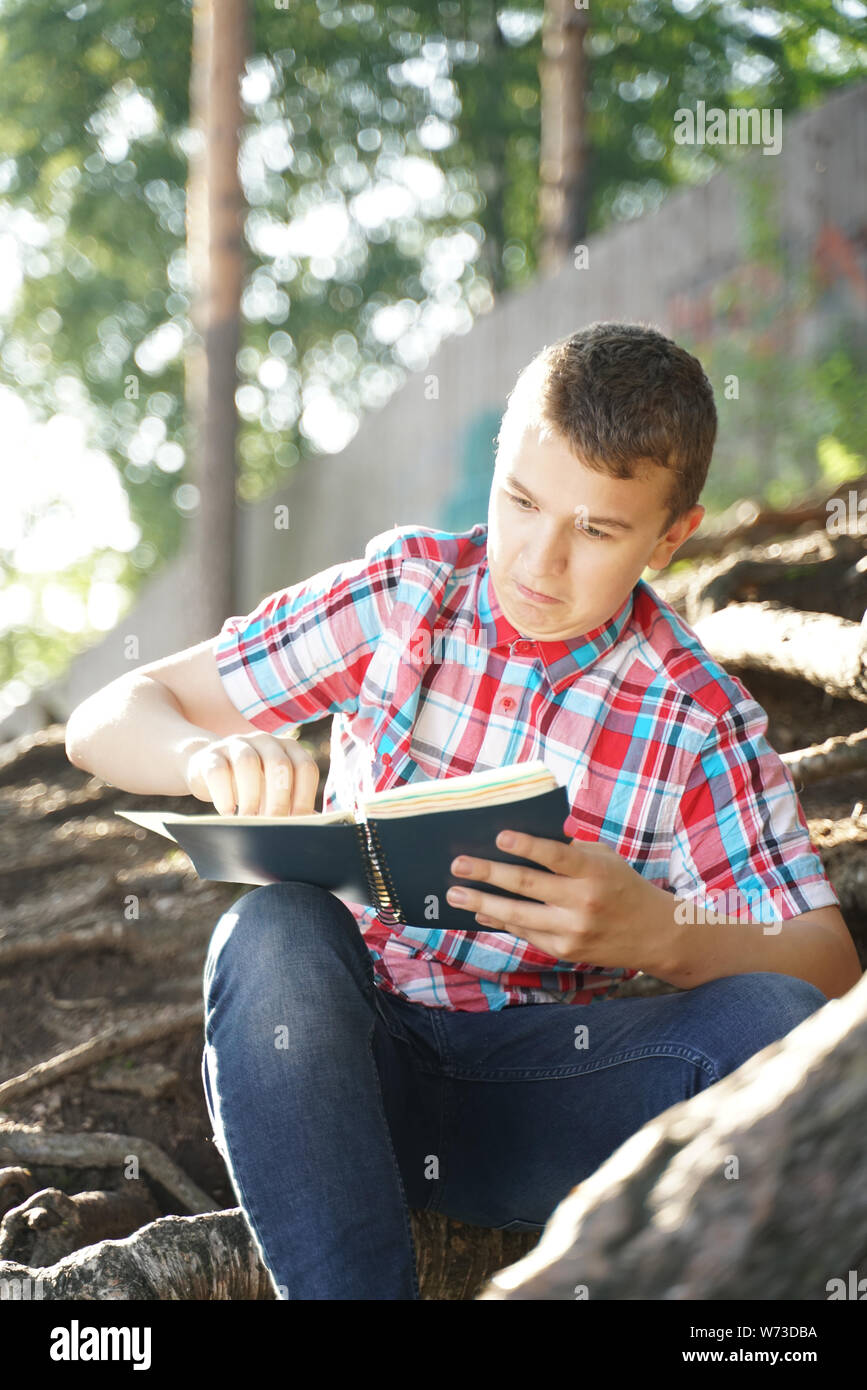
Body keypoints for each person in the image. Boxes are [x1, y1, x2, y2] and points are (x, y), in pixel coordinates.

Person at [65, 320, 861, 1301]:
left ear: (671, 537)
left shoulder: (699, 717)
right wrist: (206, 753)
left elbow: (830, 968)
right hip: (338, 1077)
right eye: (522, 500)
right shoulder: (408, 595)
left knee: (770, 1016)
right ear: (500, 460)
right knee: (272, 930)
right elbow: (106, 719)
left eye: (599, 531)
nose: (538, 560)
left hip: (540, 1102)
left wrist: (660, 930)